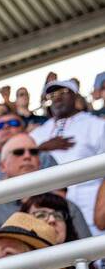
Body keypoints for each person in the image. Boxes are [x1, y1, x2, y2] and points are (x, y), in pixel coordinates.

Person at [0, 133, 90, 241]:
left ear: (39, 163)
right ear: (3, 166)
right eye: (18, 152)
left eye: (34, 152)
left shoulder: (64, 205)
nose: (27, 156)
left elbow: (88, 251)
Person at [31, 77, 105, 233]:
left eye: (63, 92)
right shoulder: (38, 133)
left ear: (75, 95)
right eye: (52, 95)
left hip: (90, 207)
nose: (57, 98)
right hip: (50, 212)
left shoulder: (96, 125)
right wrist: (42, 148)